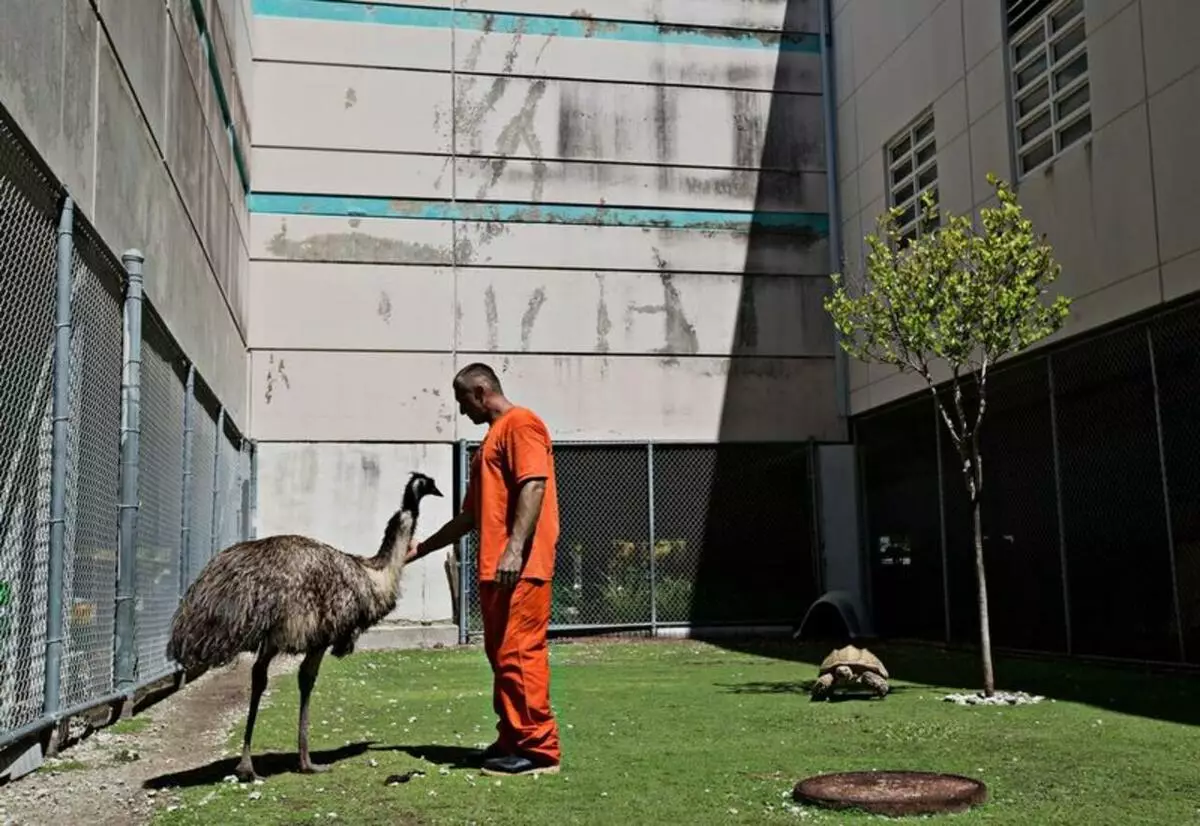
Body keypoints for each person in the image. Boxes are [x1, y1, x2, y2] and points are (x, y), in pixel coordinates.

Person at [406, 362, 562, 776]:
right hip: (498, 570)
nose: (461, 412)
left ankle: (539, 750)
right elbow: (470, 516)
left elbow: (534, 483)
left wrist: (514, 549)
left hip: (521, 567)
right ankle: (512, 737)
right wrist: (420, 548)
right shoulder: (490, 441)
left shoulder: (522, 424)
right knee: (501, 655)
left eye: (462, 402)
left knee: (519, 653)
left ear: (479, 391)